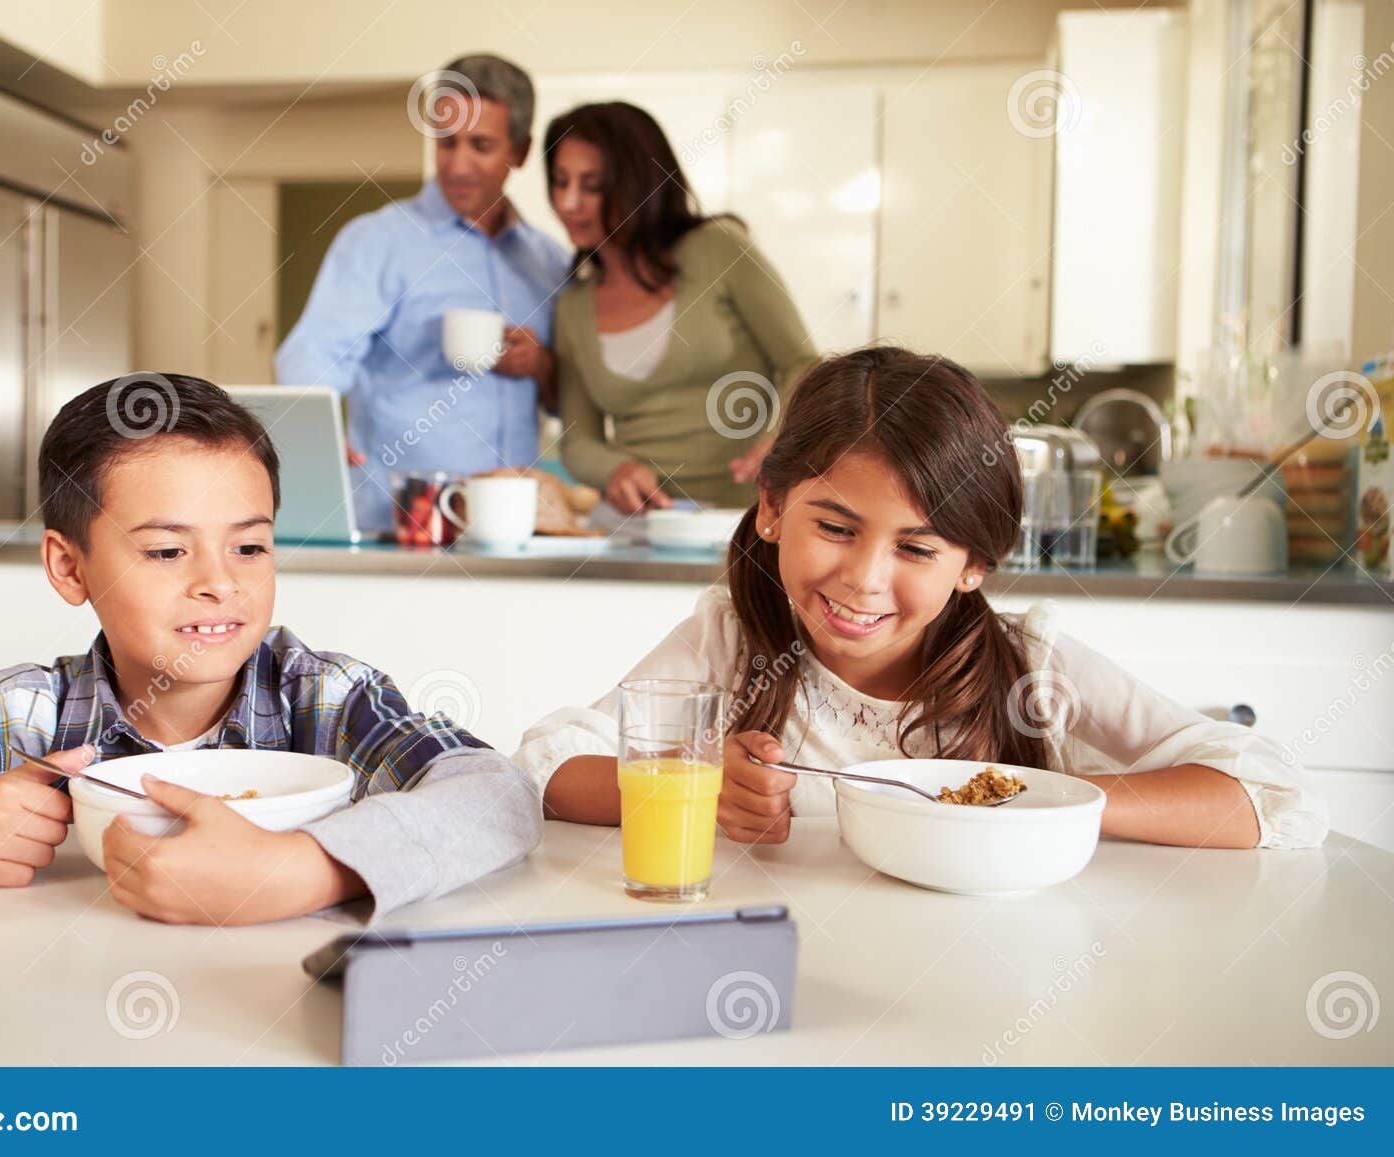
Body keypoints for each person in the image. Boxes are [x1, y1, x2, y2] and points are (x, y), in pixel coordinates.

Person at [517, 346, 1329, 850]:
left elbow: (1273, 795)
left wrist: (1047, 801)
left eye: (916, 547)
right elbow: (545, 764)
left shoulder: (1031, 670)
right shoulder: (733, 640)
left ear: (973, 562)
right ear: (771, 506)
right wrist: (698, 782)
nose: (865, 579)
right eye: (835, 526)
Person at [0, 374, 541, 924]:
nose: (220, 583)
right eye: (169, 552)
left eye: (249, 547)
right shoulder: (16, 713)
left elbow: (500, 798)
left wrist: (301, 870)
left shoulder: (327, 699)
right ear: (70, 567)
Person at [274, 54, 568, 532]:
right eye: (446, 143)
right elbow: (312, 356)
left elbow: (570, 399)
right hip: (403, 524)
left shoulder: (549, 261)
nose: (458, 164)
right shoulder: (377, 241)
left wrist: (542, 365)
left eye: (481, 145)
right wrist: (318, 443)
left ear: (520, 150)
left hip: (511, 527)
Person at [545, 101, 818, 515]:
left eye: (592, 185)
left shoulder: (718, 250)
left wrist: (782, 438)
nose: (568, 203)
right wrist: (616, 470)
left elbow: (803, 363)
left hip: (747, 514)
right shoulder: (573, 306)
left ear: (638, 183)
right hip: (644, 524)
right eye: (559, 182)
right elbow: (579, 440)